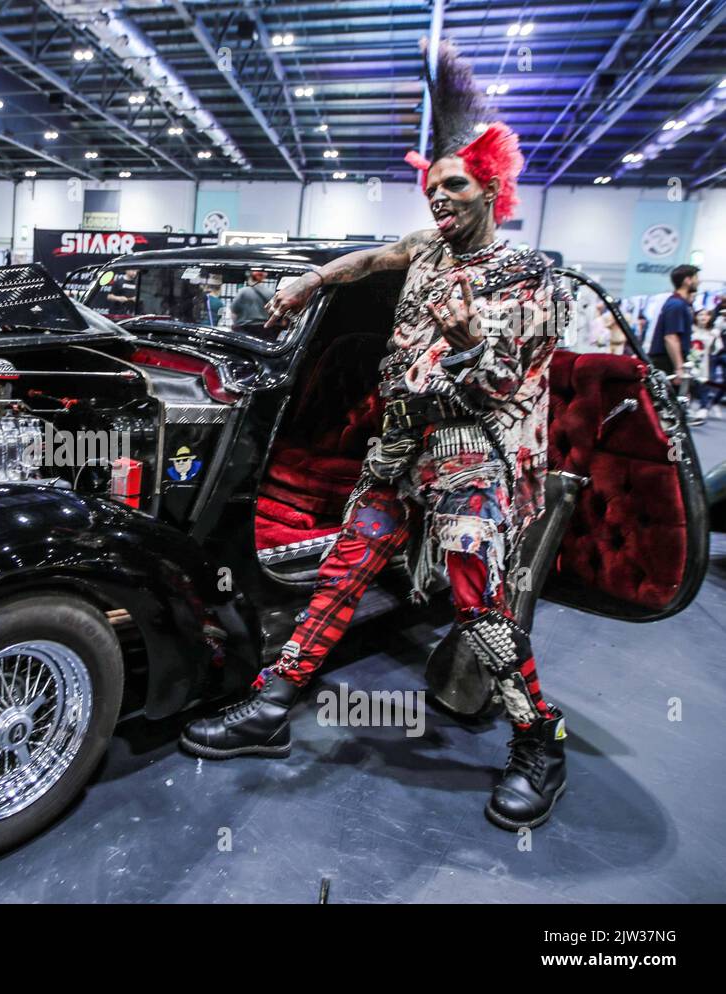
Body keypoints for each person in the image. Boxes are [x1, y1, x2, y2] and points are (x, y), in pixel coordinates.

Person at [180, 39, 573, 832]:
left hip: (472, 453)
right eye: (431, 188)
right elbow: (372, 257)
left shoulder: (529, 275)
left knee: (479, 608)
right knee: (342, 574)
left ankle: (541, 741)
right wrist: (313, 280)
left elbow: (503, 385)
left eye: (454, 185)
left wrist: (465, 345)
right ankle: (273, 706)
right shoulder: (426, 248)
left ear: (492, 188)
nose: (439, 199)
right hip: (398, 444)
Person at [648, 264, 699, 394]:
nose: (699, 281)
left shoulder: (680, 304)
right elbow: (671, 337)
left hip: (669, 359)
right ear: (687, 280)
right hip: (666, 361)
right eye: (696, 277)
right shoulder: (676, 304)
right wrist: (679, 368)